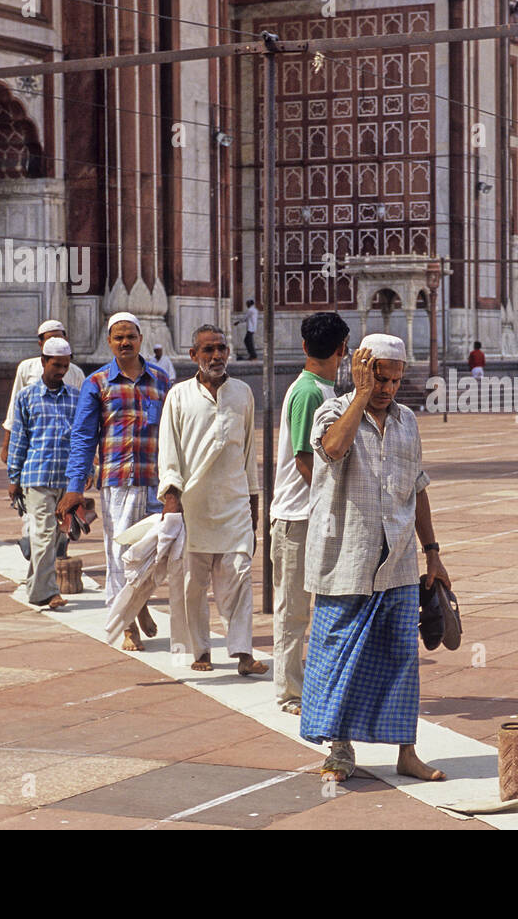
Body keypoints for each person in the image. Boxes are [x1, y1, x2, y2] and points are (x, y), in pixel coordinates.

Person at [301, 334, 451, 784]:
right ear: (359, 368)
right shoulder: (332, 410)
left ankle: (407, 751)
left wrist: (433, 553)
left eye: (394, 380)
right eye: (379, 378)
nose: (387, 389)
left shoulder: (407, 422)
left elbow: (417, 488)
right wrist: (360, 397)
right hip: (344, 558)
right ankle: (339, 751)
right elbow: (331, 450)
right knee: (336, 660)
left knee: (401, 660)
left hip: (399, 563)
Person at [58, 312, 172, 651]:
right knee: (120, 552)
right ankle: (126, 626)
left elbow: (174, 430)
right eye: (118, 337)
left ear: (140, 338)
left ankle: (139, 605)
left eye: (130, 336)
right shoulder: (97, 383)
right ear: (109, 342)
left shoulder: (161, 380)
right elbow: (82, 436)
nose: (125, 342)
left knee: (157, 553)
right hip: (118, 482)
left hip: (157, 478)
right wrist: (75, 486)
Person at [158, 325, 268, 676]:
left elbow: (249, 452)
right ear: (194, 355)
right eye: (208, 350)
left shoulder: (242, 393)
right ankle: (200, 650)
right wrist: (172, 500)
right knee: (194, 584)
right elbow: (169, 452)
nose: (216, 356)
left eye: (221, 348)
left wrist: (253, 505)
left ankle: (243, 651)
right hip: (194, 506)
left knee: (238, 576)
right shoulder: (178, 396)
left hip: (234, 502)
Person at [271, 312, 349, 713]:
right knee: (293, 607)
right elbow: (306, 460)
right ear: (342, 349)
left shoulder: (322, 389)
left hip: (311, 514)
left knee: (311, 605)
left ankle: (306, 683)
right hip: (296, 515)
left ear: (305, 346)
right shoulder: (308, 393)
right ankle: (289, 690)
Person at [7, 337, 79, 610]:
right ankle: (48, 592)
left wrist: (85, 471)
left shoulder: (76, 398)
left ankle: (35, 587)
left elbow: (83, 438)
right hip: (36, 476)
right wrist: (13, 478)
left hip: (66, 478)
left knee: (57, 537)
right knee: (44, 535)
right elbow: (19, 439)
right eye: (56, 365)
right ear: (44, 362)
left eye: (65, 366)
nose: (60, 371)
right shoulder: (26, 397)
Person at [0, 320, 86, 464]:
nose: (61, 371)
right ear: (41, 344)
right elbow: (15, 408)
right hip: (35, 440)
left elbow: (83, 415)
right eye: (50, 339)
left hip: (64, 447)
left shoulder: (76, 372)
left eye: (59, 338)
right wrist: (6, 445)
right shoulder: (27, 368)